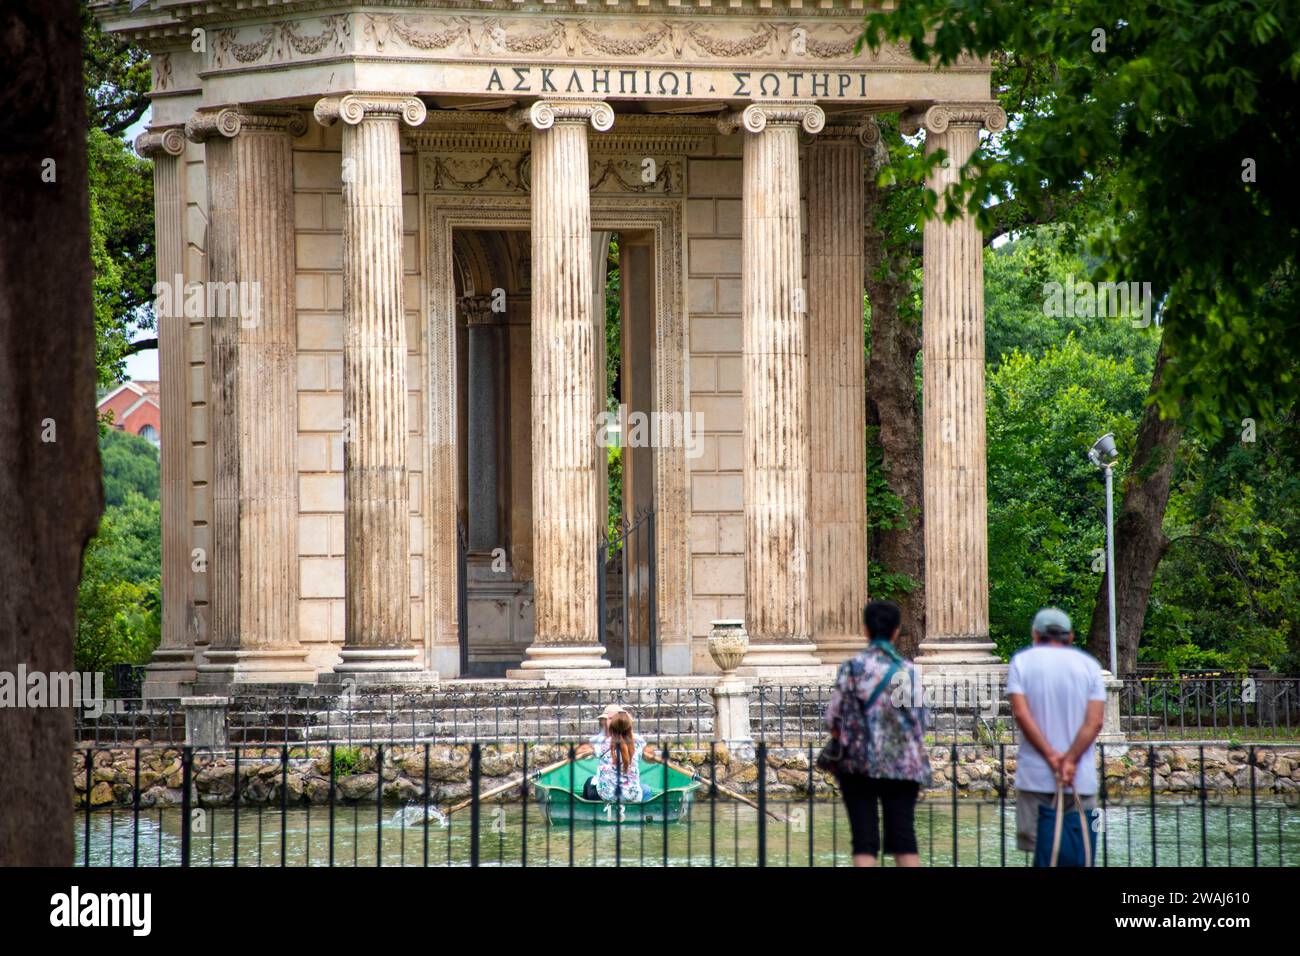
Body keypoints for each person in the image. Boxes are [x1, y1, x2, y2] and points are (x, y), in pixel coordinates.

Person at [824, 599, 931, 867]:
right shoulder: (906, 671)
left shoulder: (853, 668)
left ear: (865, 630)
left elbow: (834, 717)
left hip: (859, 764)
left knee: (864, 840)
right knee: (905, 838)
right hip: (902, 764)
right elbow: (919, 720)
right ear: (896, 631)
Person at [1006, 607, 1106, 862]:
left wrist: (1052, 757)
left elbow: (1021, 714)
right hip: (1079, 778)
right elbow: (1094, 722)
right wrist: (1070, 760)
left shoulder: (1022, 662)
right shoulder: (1089, 666)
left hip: (1035, 776)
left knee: (1042, 853)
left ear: (1035, 634)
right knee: (1079, 853)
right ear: (1070, 636)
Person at [581, 710, 660, 803]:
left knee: (589, 782)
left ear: (612, 727)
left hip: (606, 796)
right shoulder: (638, 743)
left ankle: (588, 809)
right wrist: (653, 757)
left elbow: (583, 755)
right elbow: (650, 759)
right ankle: (639, 812)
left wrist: (587, 752)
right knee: (646, 790)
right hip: (632, 796)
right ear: (629, 728)